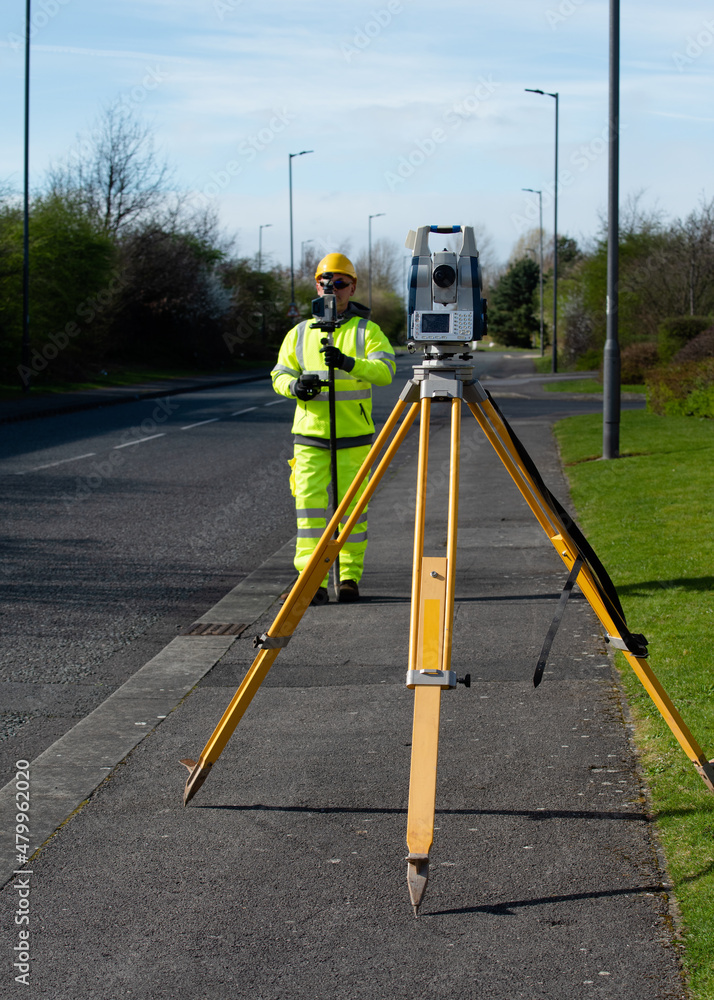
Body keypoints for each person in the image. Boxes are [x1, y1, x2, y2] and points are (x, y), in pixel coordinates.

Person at [271, 252, 396, 604]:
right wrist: (294, 387)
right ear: (317, 284)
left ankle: (349, 578)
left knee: (352, 510)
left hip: (354, 437)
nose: (334, 288)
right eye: (327, 281)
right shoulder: (298, 334)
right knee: (309, 511)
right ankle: (310, 580)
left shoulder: (366, 331)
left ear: (352, 287)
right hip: (310, 436)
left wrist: (348, 363)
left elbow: (385, 371)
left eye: (341, 283)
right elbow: (279, 373)